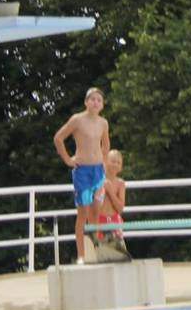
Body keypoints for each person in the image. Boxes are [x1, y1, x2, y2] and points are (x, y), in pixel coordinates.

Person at [53, 87, 111, 263]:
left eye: (98, 100)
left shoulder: (103, 123)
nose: (95, 102)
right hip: (82, 171)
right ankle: (81, 254)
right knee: (83, 213)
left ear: (102, 104)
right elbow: (58, 138)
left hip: (98, 171)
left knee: (96, 212)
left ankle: (96, 250)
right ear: (86, 102)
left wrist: (105, 164)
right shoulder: (77, 120)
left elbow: (106, 144)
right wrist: (68, 160)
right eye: (92, 99)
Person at [94, 149, 132, 262]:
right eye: (113, 161)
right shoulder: (97, 181)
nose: (115, 164)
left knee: (121, 257)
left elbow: (120, 208)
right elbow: (94, 207)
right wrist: (102, 191)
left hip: (115, 222)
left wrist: (110, 192)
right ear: (105, 162)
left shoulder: (120, 183)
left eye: (118, 162)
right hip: (99, 221)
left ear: (121, 167)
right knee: (102, 256)